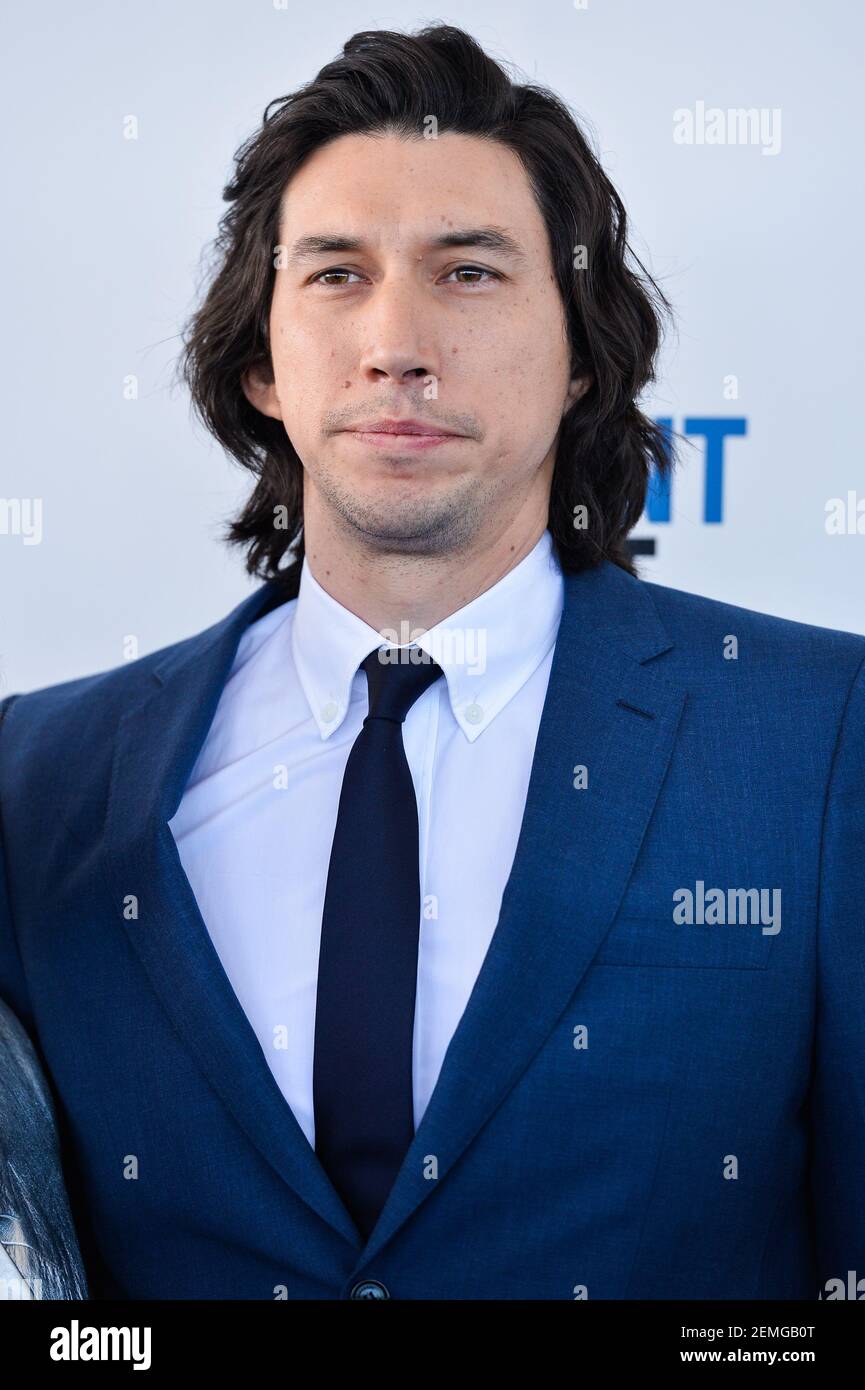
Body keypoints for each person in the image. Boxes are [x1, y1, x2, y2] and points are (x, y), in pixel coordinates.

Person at [0, 23, 862, 1300]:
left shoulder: (816, 735)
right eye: (337, 275)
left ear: (581, 358)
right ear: (260, 367)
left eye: (467, 273)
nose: (396, 341)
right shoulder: (40, 776)